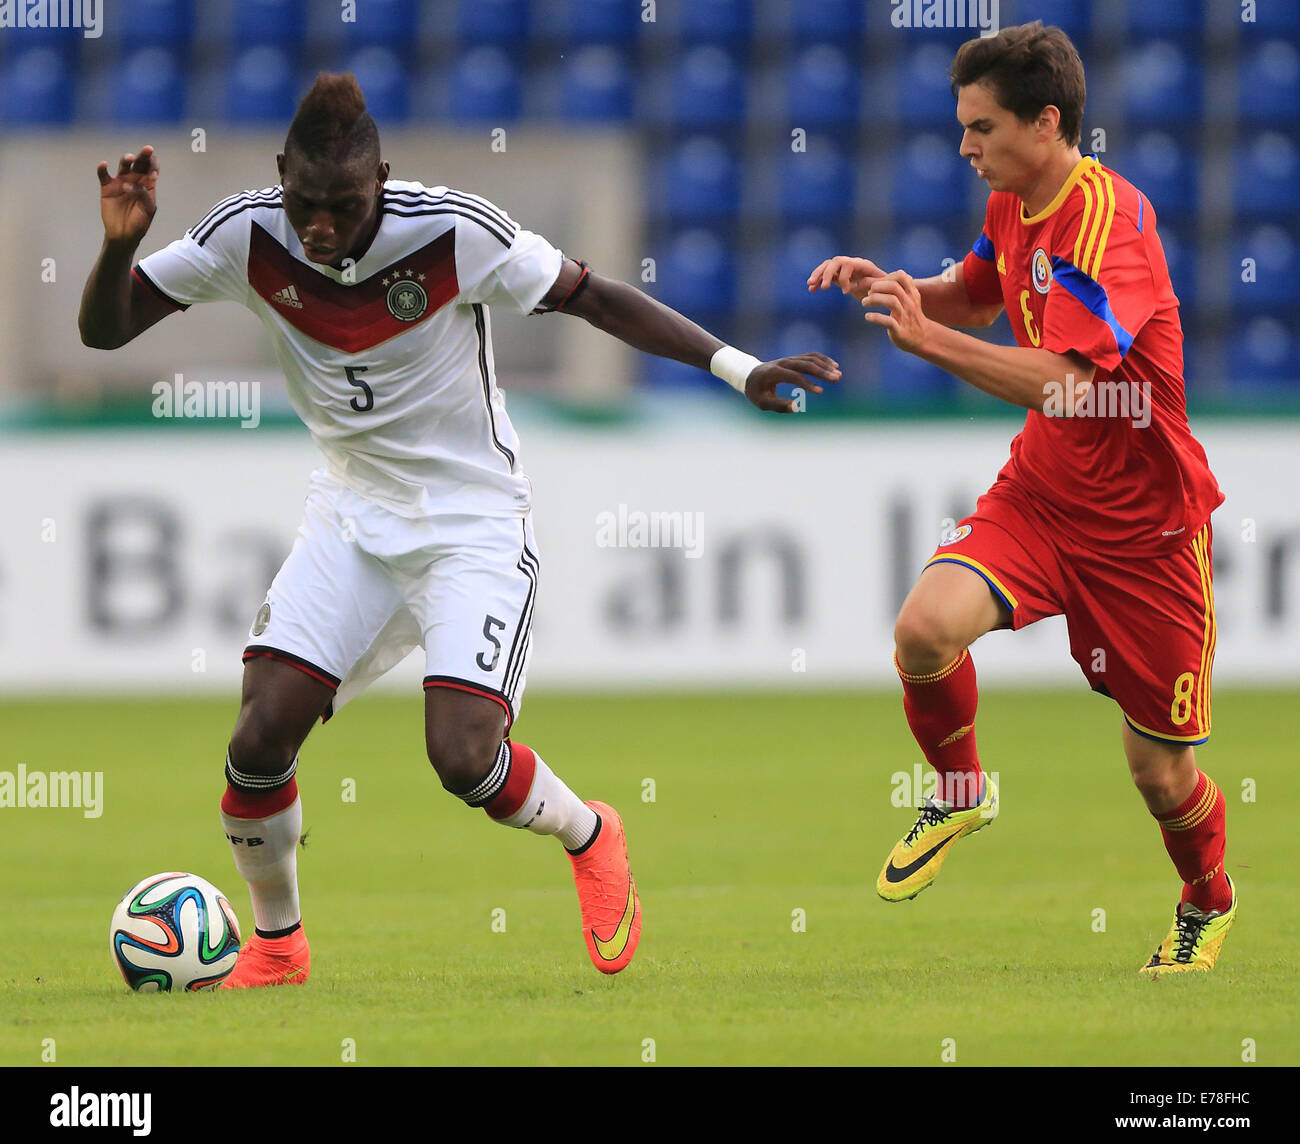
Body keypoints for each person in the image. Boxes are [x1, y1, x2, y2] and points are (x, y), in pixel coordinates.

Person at [80, 72, 840, 986]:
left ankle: (590, 832)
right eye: (305, 203)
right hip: (352, 521)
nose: (319, 227)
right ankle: (278, 946)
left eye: (343, 206)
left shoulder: (453, 233)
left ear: (383, 179)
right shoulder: (245, 234)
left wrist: (737, 367)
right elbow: (106, 332)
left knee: (463, 759)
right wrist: (119, 249)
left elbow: (596, 297)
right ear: (280, 176)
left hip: (471, 525)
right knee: (255, 744)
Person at [808, 22, 1232, 974]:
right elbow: (978, 293)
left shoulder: (1111, 224)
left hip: (1147, 534)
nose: (965, 146)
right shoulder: (1013, 203)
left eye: (982, 128)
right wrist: (900, 287)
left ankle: (1208, 897)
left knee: (1160, 774)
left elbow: (1075, 384)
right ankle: (961, 792)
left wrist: (929, 345)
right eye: (962, 127)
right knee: (923, 630)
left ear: (1047, 124)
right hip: (1043, 496)